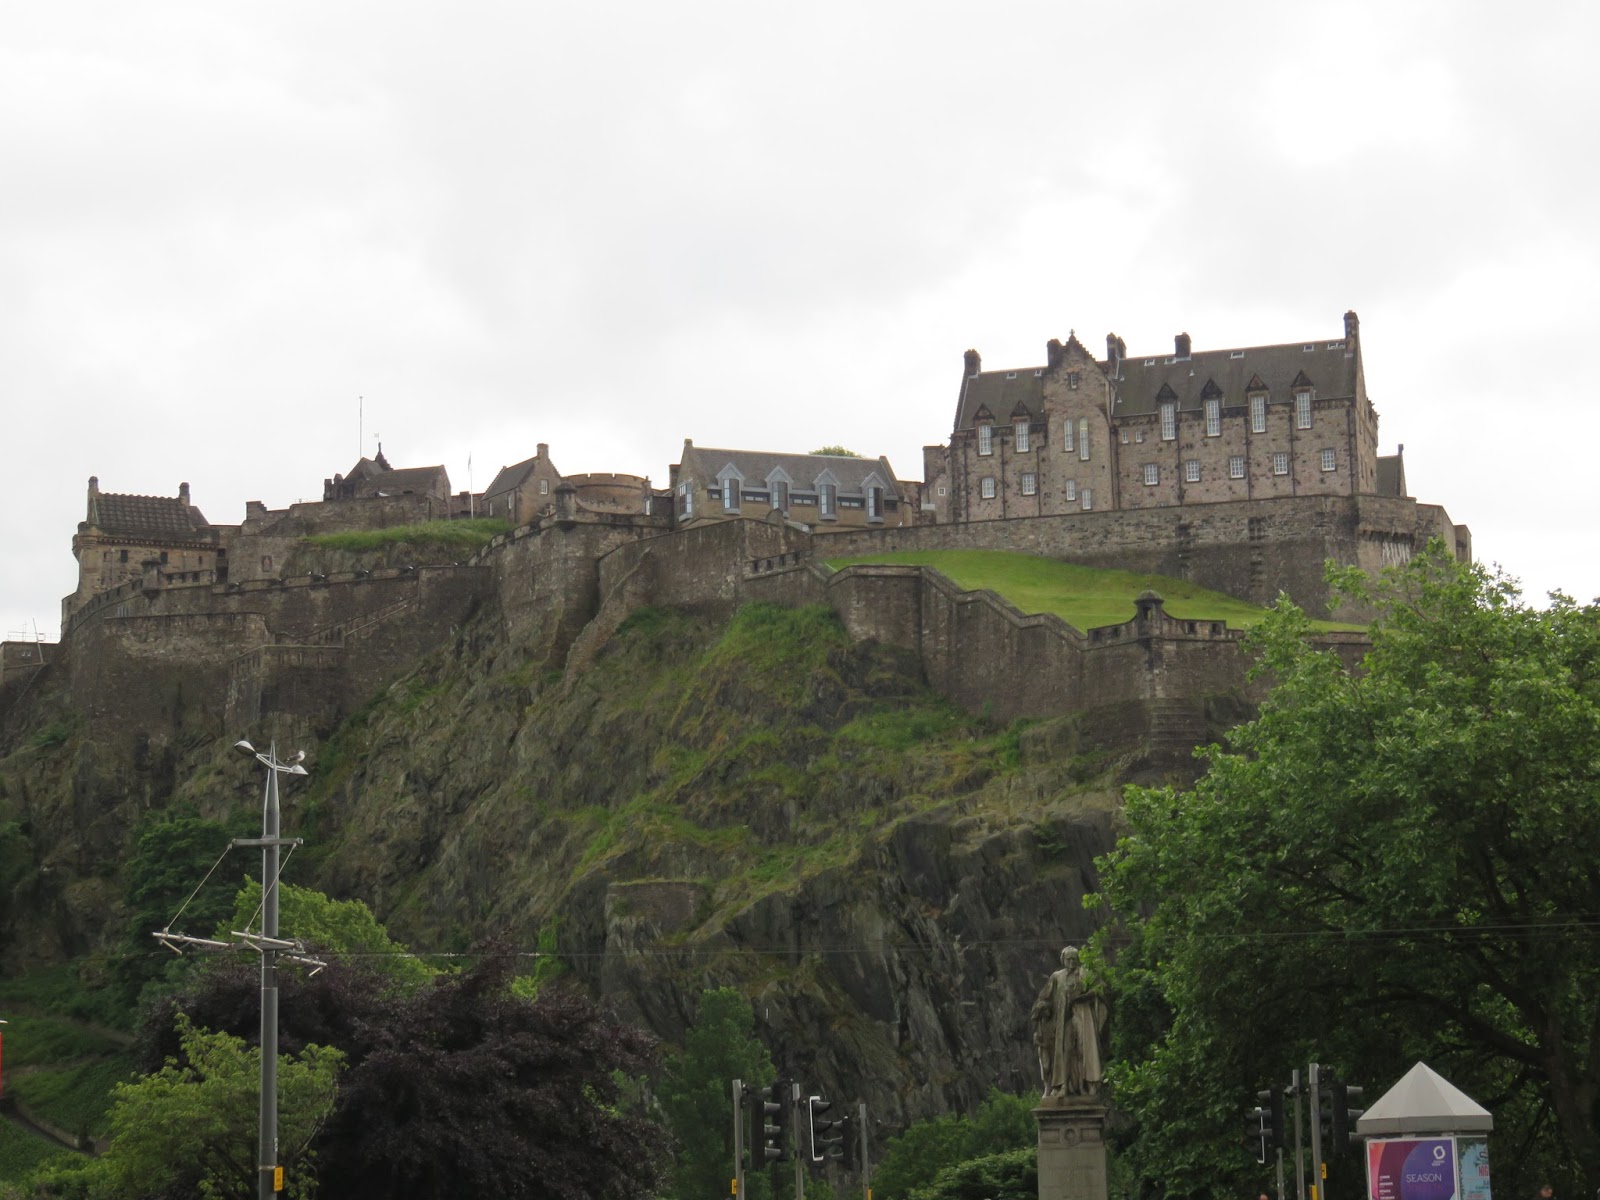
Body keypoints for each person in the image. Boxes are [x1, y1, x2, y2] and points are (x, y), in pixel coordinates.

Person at [1030, 945, 1107, 1098]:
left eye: (1074, 958)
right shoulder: (1057, 977)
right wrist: (1042, 1010)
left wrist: (1083, 997)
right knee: (1065, 1050)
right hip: (1063, 1019)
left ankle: (1087, 1084)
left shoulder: (1085, 973)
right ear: (1063, 960)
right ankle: (1064, 1085)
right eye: (1068, 959)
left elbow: (1100, 988)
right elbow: (1044, 998)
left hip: (1083, 1016)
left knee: (1084, 1050)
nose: (1071, 961)